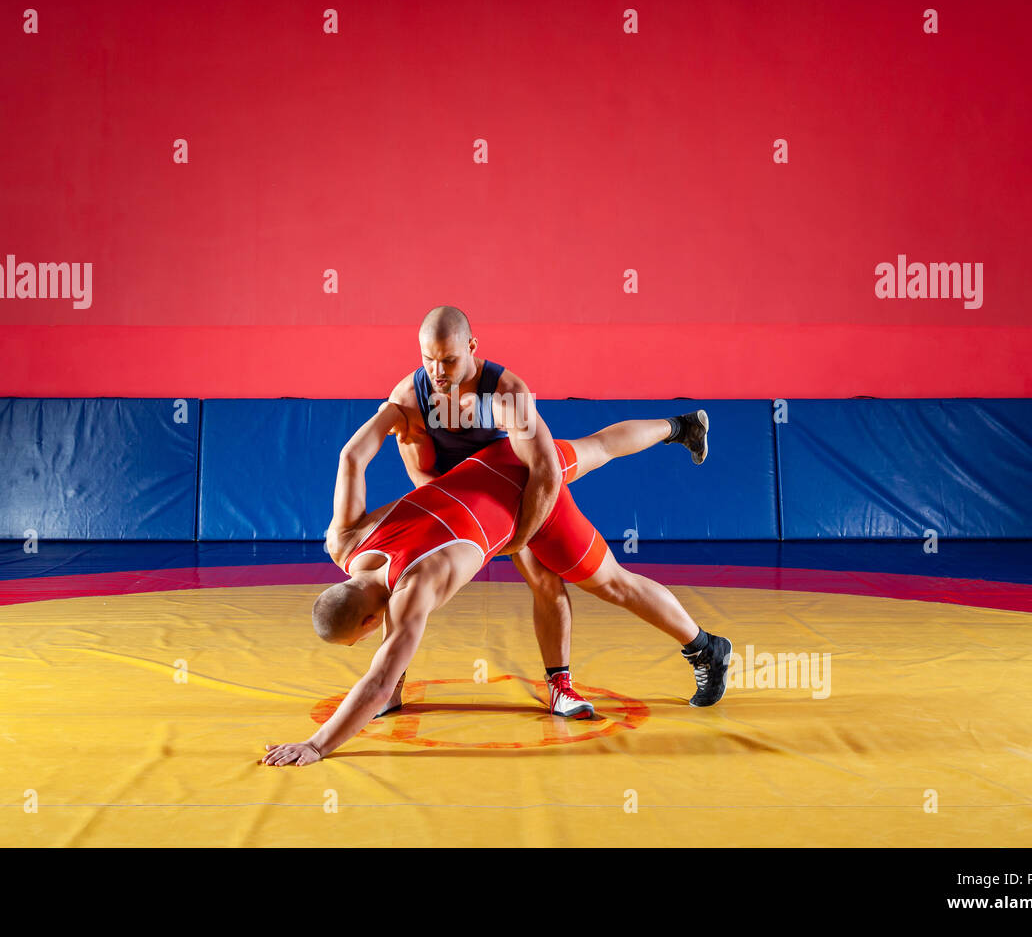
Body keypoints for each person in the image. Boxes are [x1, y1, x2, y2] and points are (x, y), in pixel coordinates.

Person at [260, 402, 730, 767]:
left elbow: (379, 681)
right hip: (499, 460)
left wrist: (317, 745)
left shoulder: (416, 586)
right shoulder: (344, 542)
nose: (367, 638)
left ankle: (706, 647)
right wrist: (387, 414)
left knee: (613, 583)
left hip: (534, 502)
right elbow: (350, 457)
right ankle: (681, 425)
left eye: (361, 635)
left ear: (366, 620)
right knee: (599, 446)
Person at [383, 305, 709, 717]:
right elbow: (426, 480)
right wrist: (475, 529)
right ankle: (389, 686)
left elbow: (545, 472)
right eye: (428, 359)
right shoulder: (410, 398)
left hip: (523, 489)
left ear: (472, 346)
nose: (438, 371)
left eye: (449, 359)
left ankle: (567, 685)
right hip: (472, 501)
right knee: (407, 575)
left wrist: (517, 536)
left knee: (568, 576)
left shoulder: (506, 393)